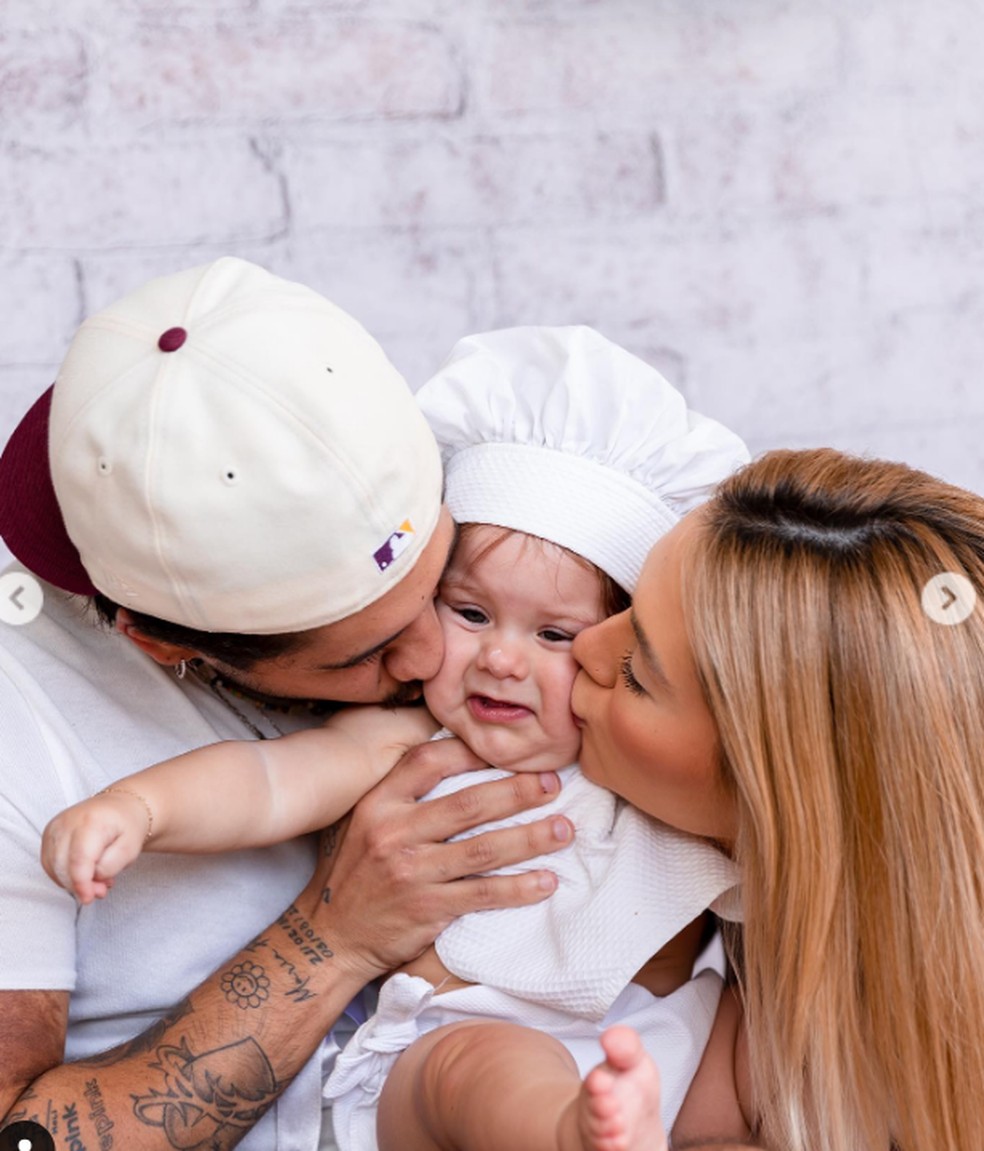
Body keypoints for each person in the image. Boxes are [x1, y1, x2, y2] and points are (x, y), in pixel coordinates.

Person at [39, 326, 750, 1151]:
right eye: (471, 613)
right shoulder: (405, 739)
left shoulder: (637, 739)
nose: (502, 659)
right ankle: (569, 1134)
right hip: (471, 1040)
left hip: (668, 1032)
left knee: (753, 1064)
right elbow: (269, 781)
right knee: (476, 1069)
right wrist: (141, 808)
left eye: (556, 635)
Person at [0, 259, 576, 1151]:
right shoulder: (20, 725)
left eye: (445, 592)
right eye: (367, 653)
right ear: (168, 646)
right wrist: (335, 934)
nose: (435, 660)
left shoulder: (324, 427)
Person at [555, 446, 984, 1151]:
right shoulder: (767, 998)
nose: (584, 647)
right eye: (626, 607)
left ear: (779, 791)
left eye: (635, 673)